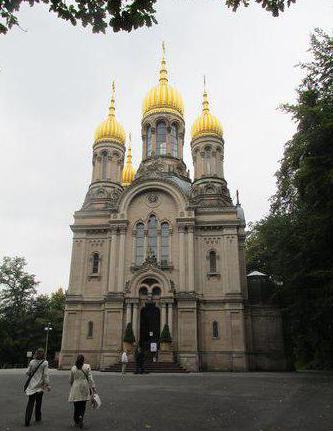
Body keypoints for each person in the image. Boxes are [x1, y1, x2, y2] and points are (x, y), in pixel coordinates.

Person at [24, 347, 50, 427]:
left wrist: (32, 374)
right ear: (43, 354)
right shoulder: (45, 363)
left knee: (30, 402)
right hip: (40, 386)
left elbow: (27, 372)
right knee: (39, 402)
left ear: (36, 353)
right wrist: (47, 384)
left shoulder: (32, 362)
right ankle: (38, 417)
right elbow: (45, 375)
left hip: (32, 385)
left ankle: (27, 420)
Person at [68, 354, 96, 429]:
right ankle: (81, 416)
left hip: (76, 386)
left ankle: (76, 419)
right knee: (83, 405)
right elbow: (90, 378)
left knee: (76, 404)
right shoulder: (87, 367)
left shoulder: (73, 368)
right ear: (83, 360)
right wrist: (93, 388)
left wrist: (72, 385)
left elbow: (70, 380)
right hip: (84, 386)